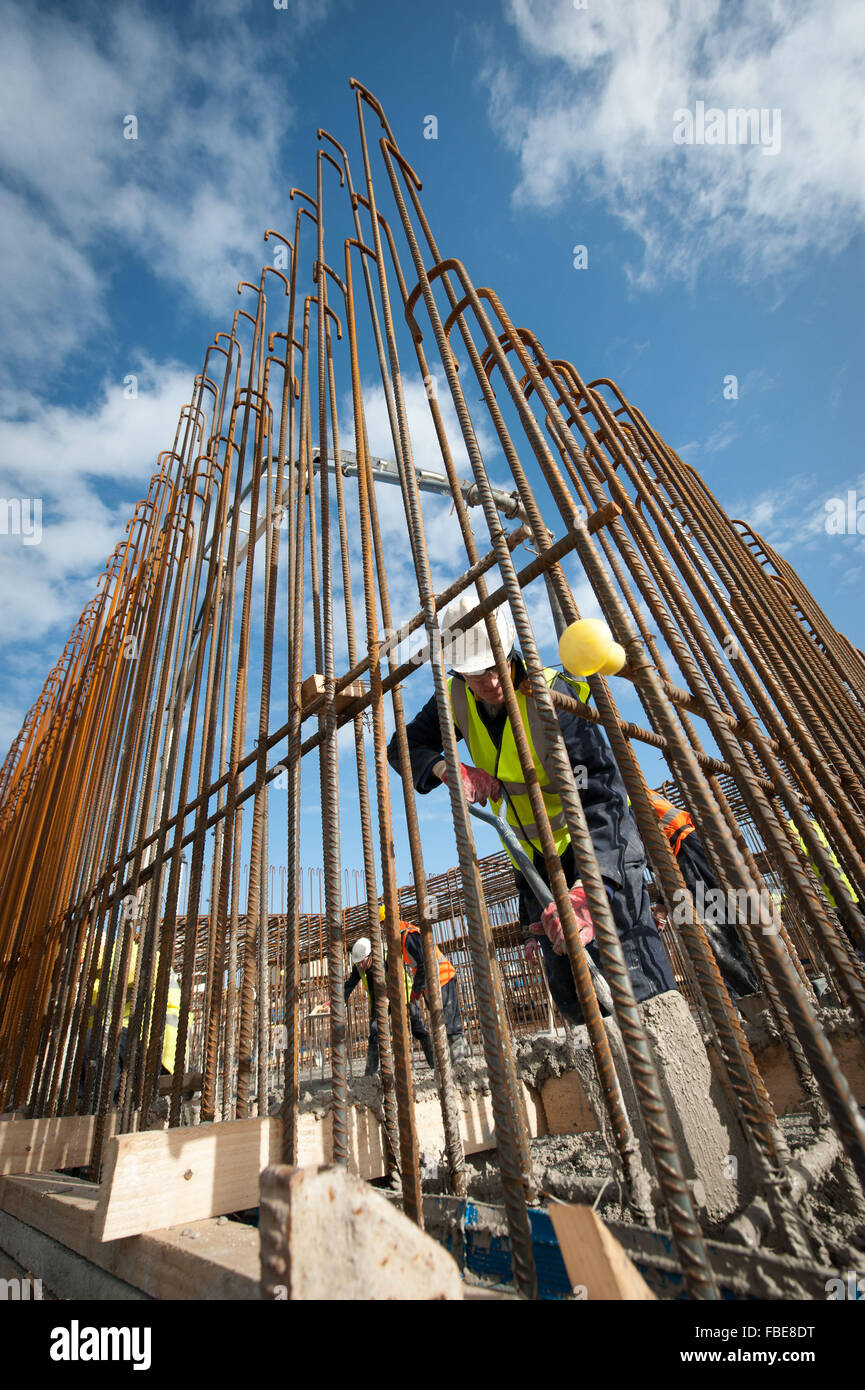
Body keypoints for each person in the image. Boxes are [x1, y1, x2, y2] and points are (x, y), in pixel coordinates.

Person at [388, 595, 674, 1025]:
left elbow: (605, 797)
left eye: (495, 664)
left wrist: (590, 890)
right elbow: (403, 745)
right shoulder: (456, 696)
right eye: (474, 673)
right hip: (535, 860)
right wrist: (450, 768)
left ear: (510, 647)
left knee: (635, 982)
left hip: (598, 849)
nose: (488, 682)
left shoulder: (553, 696)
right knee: (576, 995)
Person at [649, 790, 757, 998]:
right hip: (677, 857)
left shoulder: (615, 789)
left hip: (684, 850)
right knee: (700, 937)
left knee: (715, 933)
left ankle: (756, 996)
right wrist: (662, 906)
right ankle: (741, 1000)